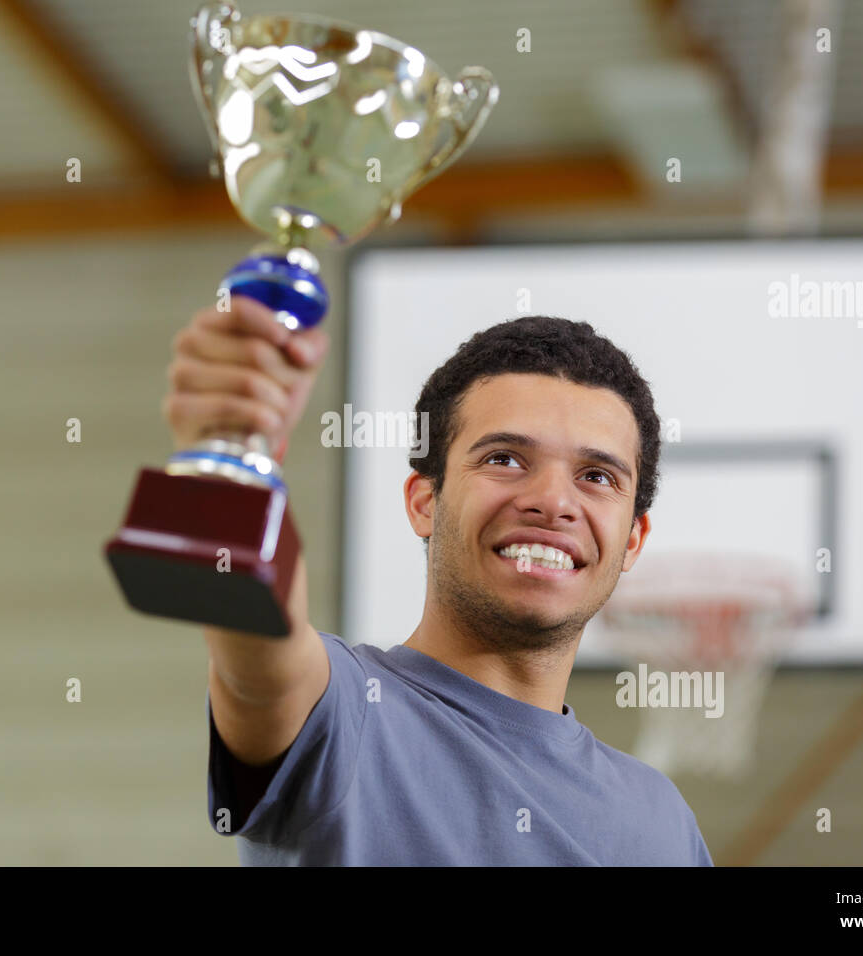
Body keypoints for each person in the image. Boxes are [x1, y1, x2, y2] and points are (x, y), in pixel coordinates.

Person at [164, 295, 713, 865]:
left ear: (632, 540)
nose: (553, 502)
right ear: (425, 501)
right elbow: (259, 655)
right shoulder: (343, 715)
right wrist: (230, 457)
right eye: (504, 459)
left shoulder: (664, 824)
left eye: (596, 475)